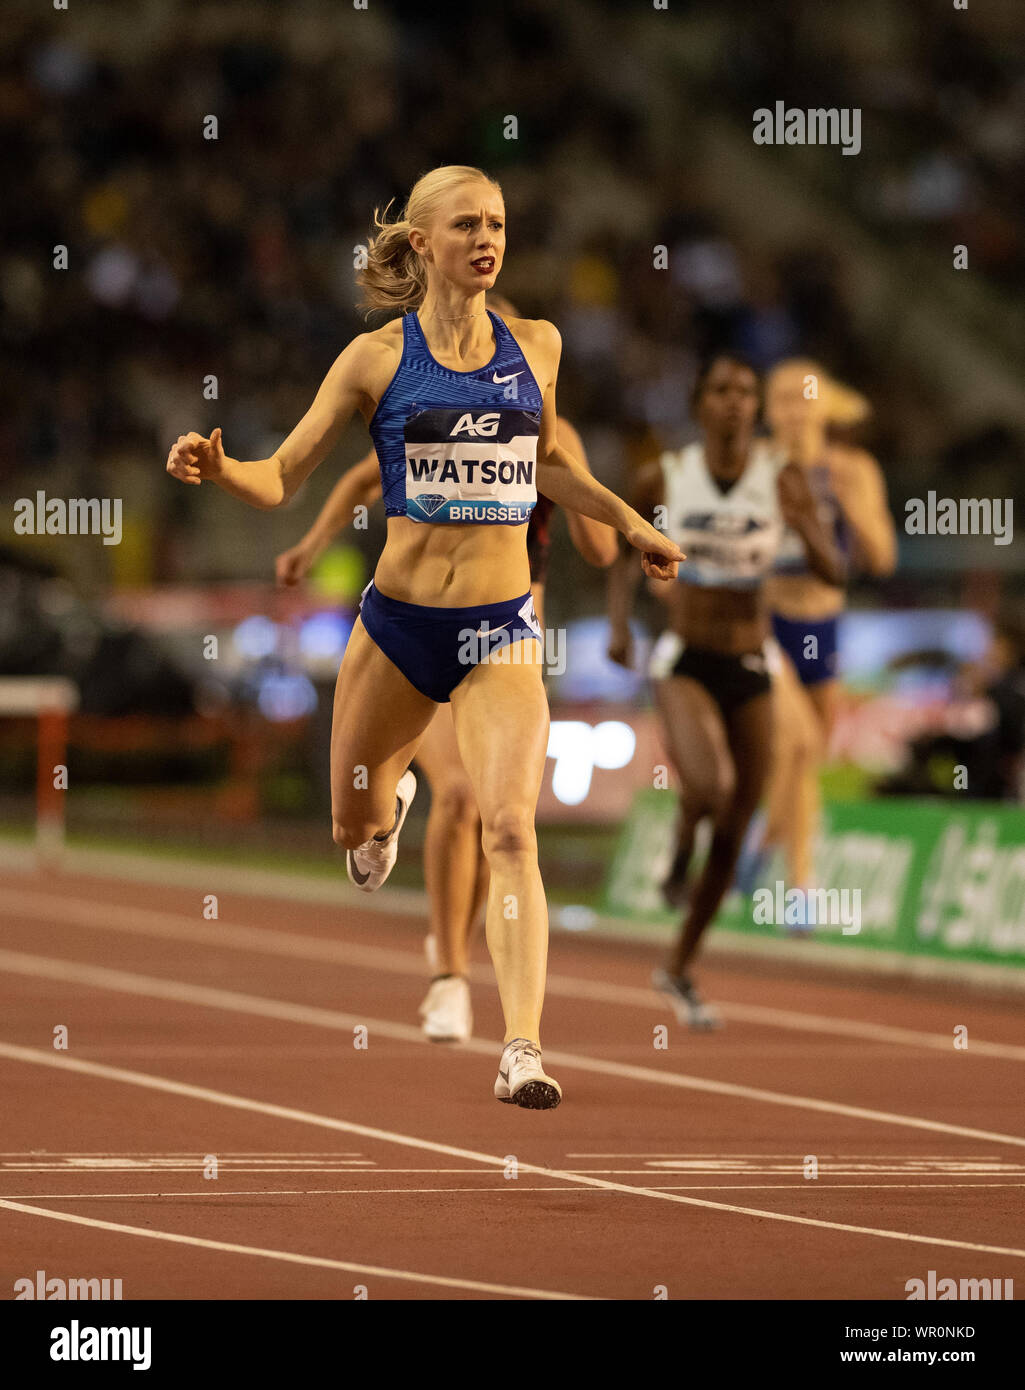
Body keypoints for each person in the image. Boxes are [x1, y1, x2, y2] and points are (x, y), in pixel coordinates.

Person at [167, 164, 681, 1107]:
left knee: (510, 830)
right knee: (349, 827)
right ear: (419, 244)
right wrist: (219, 467)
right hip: (398, 627)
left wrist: (634, 523)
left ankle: (521, 1044)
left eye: (497, 224)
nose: (487, 239)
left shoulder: (540, 346)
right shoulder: (374, 359)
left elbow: (548, 466)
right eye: (466, 226)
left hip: (501, 628)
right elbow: (284, 475)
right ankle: (383, 813)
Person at [275, 294, 618, 1043]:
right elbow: (363, 479)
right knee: (455, 799)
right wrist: (311, 543)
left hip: (509, 635)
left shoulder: (550, 432)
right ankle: (446, 968)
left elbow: (599, 549)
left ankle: (495, 1015)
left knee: (502, 823)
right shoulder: (424, 398)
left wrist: (608, 518)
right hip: (420, 624)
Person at [607, 354, 844, 1027]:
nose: (736, 401)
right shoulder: (668, 475)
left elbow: (832, 571)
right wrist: (621, 627)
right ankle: (681, 843)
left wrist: (808, 526)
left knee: (739, 820)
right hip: (685, 659)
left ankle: (678, 966)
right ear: (700, 404)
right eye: (721, 391)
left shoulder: (781, 478)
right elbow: (626, 551)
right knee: (707, 791)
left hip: (749, 659)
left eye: (746, 392)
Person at [756, 360, 897, 897]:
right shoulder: (755, 466)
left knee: (807, 756)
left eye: (802, 397)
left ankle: (764, 840)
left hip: (825, 627)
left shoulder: (853, 469)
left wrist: (851, 504)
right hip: (766, 625)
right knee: (798, 741)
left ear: (822, 404)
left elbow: (883, 559)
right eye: (782, 398)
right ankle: (802, 885)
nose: (793, 409)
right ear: (768, 410)